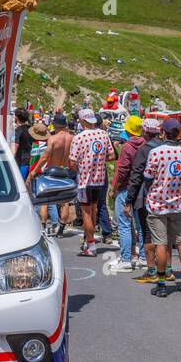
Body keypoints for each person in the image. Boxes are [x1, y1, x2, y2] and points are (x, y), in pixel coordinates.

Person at [129, 118, 181, 296]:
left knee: (160, 243)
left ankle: (161, 282)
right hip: (176, 203)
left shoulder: (156, 152)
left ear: (163, 133)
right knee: (180, 242)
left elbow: (148, 176)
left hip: (158, 203)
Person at [69, 109, 113, 257]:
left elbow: (72, 162)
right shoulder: (103, 134)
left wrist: (80, 168)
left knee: (86, 213)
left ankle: (91, 245)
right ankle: (89, 241)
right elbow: (112, 155)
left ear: (82, 120)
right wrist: (98, 161)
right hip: (99, 178)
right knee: (93, 210)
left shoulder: (79, 137)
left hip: (85, 180)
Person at [105, 115, 146, 274]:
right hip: (140, 188)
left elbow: (121, 171)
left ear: (127, 130)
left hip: (126, 188)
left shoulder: (127, 147)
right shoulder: (145, 145)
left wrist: (114, 188)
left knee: (124, 224)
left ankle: (126, 259)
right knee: (140, 225)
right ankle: (142, 257)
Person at [126, 117, 165, 282]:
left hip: (145, 195)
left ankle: (151, 270)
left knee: (147, 233)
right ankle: (166, 269)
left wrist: (129, 200)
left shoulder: (144, 150)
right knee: (163, 236)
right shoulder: (165, 148)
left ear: (145, 132)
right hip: (164, 195)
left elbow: (136, 177)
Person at [28, 114, 75, 237]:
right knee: (65, 201)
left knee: (45, 199)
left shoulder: (53, 139)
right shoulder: (72, 138)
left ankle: (43, 227)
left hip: (53, 170)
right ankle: (60, 229)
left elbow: (44, 157)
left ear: (55, 124)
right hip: (66, 170)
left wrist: (35, 170)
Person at [12, 108, 35, 180]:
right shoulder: (31, 129)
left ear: (16, 117)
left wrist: (10, 160)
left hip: (21, 161)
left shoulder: (18, 130)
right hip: (31, 159)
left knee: (20, 182)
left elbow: (15, 146)